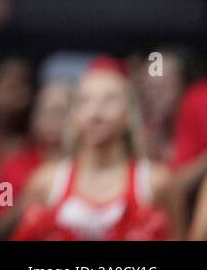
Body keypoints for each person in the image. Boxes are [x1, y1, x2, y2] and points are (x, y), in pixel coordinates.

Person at [14, 59, 178, 240]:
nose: (96, 111)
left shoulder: (157, 183)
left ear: (130, 114)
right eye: (85, 101)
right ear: (73, 115)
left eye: (110, 100)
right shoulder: (45, 183)